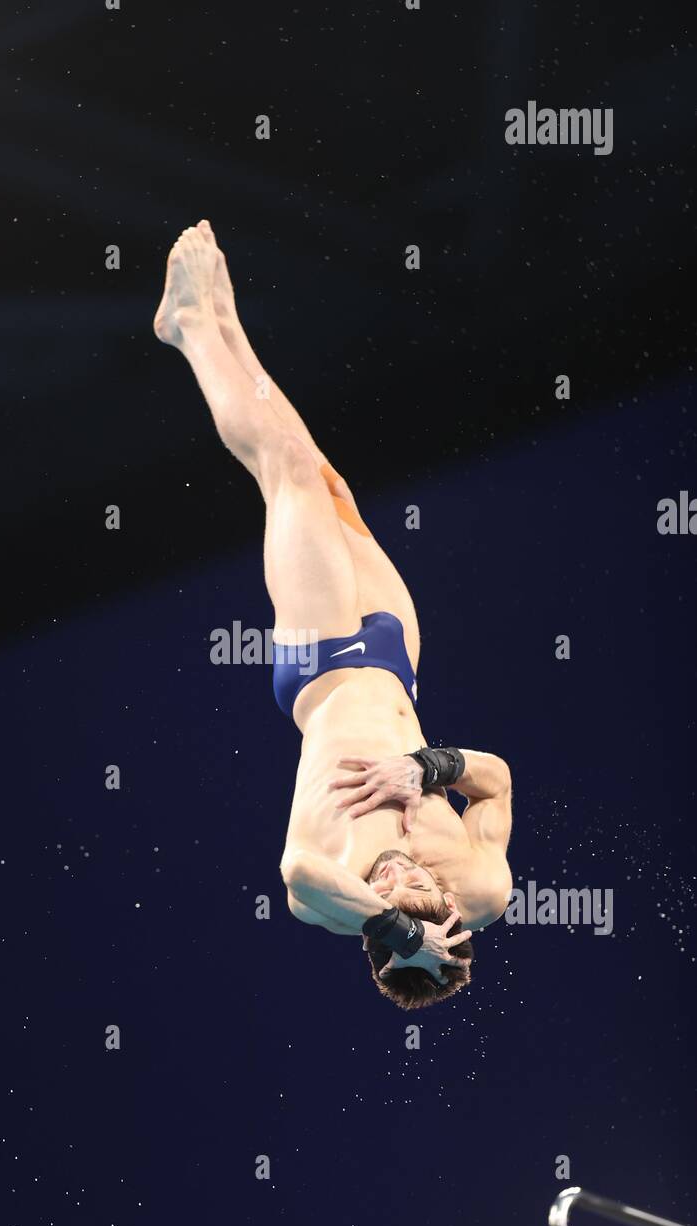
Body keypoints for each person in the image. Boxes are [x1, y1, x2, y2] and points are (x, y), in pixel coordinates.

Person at [155, 221, 513, 1009]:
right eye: (416, 885)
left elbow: (294, 874)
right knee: (323, 476)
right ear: (450, 910)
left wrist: (388, 917)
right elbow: (497, 784)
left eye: (390, 892)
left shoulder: (332, 899)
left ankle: (192, 329)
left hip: (318, 663)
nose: (398, 874)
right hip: (395, 660)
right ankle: (217, 317)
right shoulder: (481, 889)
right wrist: (427, 769)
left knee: (286, 473)